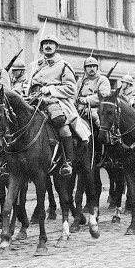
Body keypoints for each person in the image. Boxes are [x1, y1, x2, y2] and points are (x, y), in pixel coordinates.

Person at [23, 33, 88, 177]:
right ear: (41, 47)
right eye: (45, 43)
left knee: (61, 123)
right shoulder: (34, 65)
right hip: (33, 99)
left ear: (56, 47)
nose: (47, 46)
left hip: (56, 101)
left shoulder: (63, 65)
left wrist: (51, 89)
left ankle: (67, 162)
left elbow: (71, 89)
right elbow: (26, 83)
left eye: (51, 43)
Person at [76, 56, 111, 130]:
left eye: (94, 66)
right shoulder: (80, 81)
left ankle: (106, 139)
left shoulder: (103, 80)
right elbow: (75, 94)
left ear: (97, 68)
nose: (92, 69)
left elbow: (103, 96)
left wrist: (86, 100)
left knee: (99, 122)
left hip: (97, 109)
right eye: (89, 67)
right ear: (85, 69)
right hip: (80, 108)